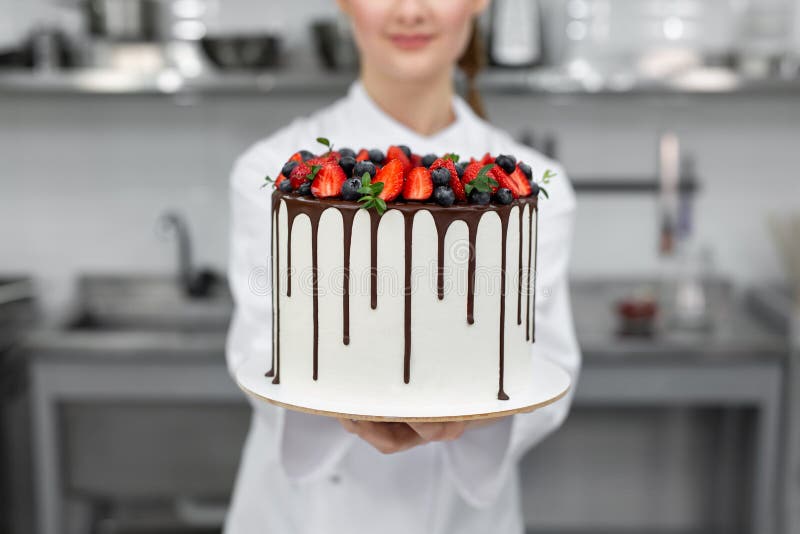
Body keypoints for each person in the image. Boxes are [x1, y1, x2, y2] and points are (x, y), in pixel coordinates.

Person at [225, 1, 580, 532]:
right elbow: (261, 348)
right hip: (304, 514)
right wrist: (345, 405)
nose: (410, 11)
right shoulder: (275, 174)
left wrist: (466, 420)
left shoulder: (531, 189)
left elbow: (547, 360)